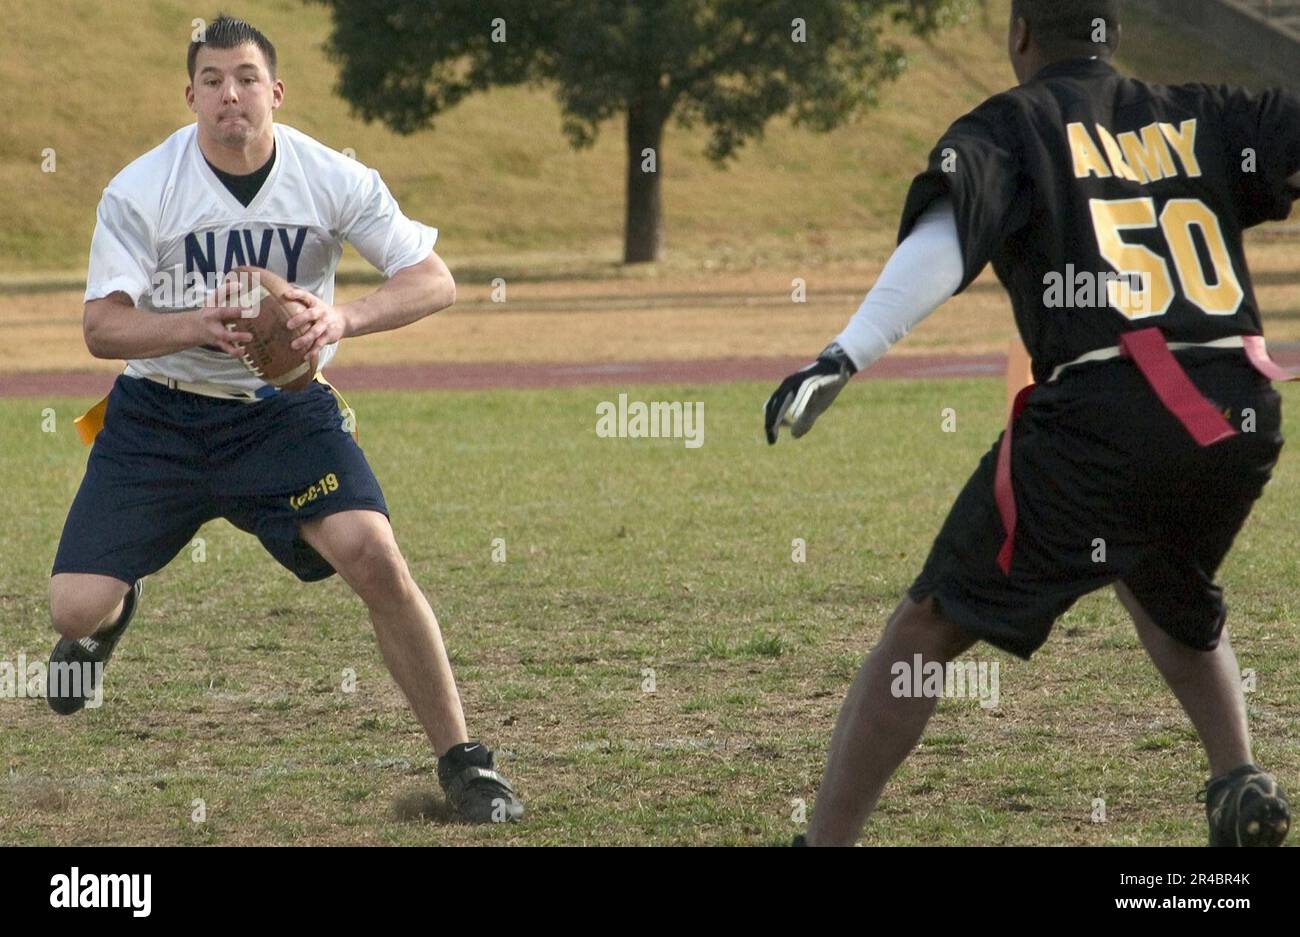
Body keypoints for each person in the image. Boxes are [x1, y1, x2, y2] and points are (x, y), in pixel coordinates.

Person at [765, 0, 1298, 847]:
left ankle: (822, 842)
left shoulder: (1013, 123)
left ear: (1019, 35)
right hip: (1240, 415)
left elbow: (949, 231)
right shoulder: (1204, 111)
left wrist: (845, 351)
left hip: (1110, 413)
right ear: (1113, 33)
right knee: (1160, 573)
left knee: (927, 625)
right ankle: (1237, 779)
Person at [48, 14, 522, 825]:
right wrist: (195, 325)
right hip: (158, 415)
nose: (228, 94)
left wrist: (340, 321)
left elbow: (433, 278)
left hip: (282, 414)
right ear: (190, 94)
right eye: (210, 80)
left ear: (275, 90)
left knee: (374, 555)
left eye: (243, 78)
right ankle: (112, 614)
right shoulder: (142, 187)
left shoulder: (328, 176)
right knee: (72, 608)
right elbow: (101, 327)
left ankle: (465, 764)